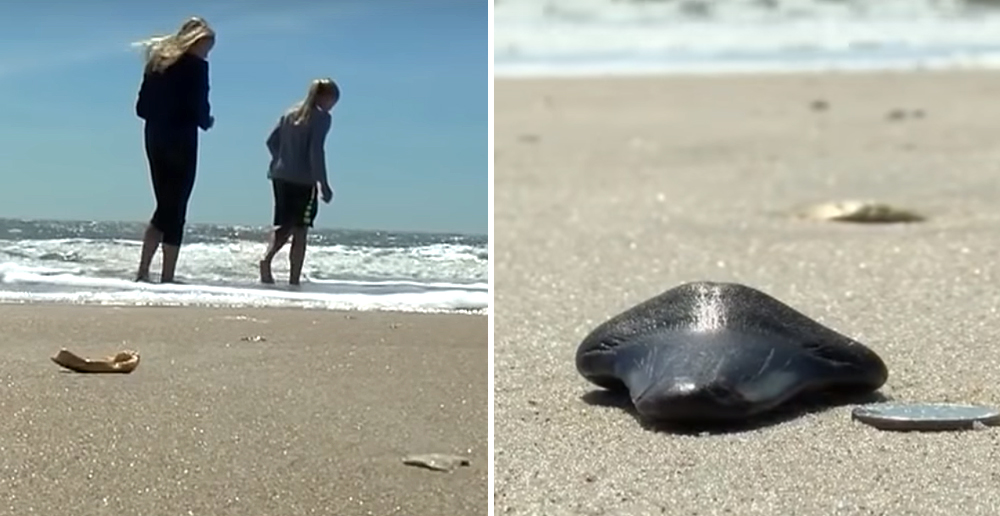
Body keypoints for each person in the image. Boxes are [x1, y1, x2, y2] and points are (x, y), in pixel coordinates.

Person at [132, 16, 216, 283]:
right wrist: (206, 120)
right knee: (174, 206)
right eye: (206, 46)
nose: (207, 52)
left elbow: (141, 108)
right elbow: (200, 110)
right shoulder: (196, 67)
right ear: (196, 41)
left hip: (154, 136)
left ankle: (145, 271)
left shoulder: (156, 64)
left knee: (166, 202)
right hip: (182, 139)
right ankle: (164, 276)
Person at [259, 78, 339, 285]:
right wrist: (323, 183)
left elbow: (271, 141)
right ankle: (294, 280)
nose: (332, 105)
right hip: (303, 180)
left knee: (284, 224)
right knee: (301, 229)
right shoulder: (321, 118)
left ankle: (266, 260)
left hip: (280, 176)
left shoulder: (290, 113)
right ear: (325, 97)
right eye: (333, 100)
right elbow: (316, 152)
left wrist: (281, 159)